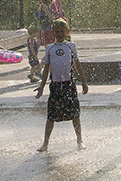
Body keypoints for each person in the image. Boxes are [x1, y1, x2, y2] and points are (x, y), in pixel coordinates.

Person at [35, 19, 88, 151]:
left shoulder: (71, 46)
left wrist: (84, 81)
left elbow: (77, 64)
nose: (59, 34)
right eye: (57, 31)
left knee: (75, 114)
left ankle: (79, 140)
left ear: (67, 32)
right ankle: (45, 143)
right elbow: (47, 68)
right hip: (55, 85)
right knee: (51, 116)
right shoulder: (50, 48)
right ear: (53, 32)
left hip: (69, 85)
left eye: (62, 31)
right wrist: (41, 86)